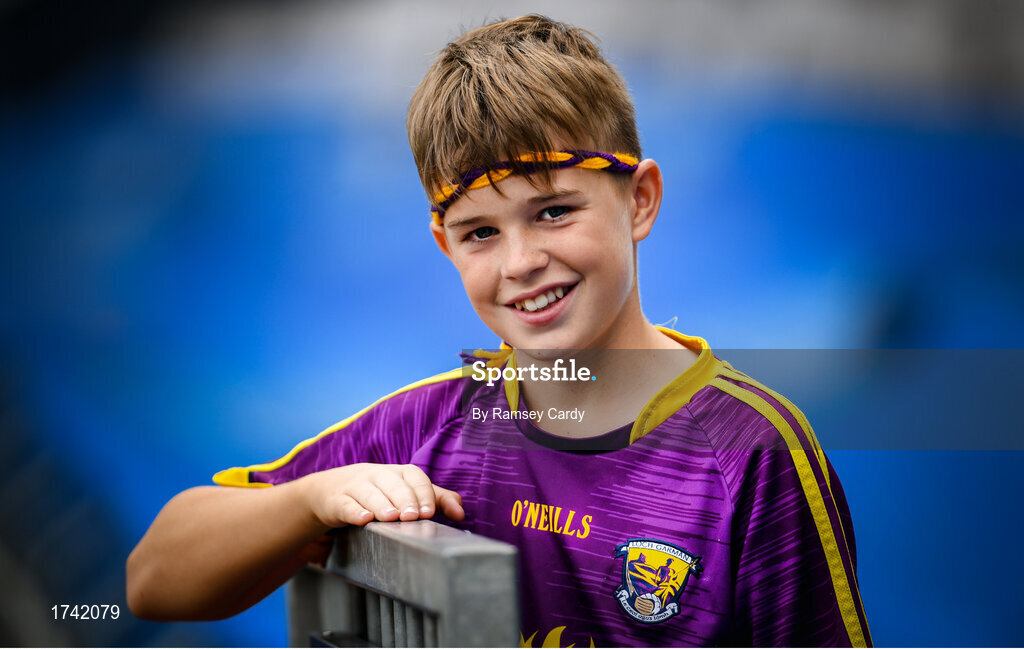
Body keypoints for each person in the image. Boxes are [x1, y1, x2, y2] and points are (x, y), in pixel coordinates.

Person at [127, 14, 872, 647]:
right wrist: (310, 500)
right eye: (480, 232)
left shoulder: (751, 454)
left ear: (640, 199)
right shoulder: (427, 429)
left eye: (554, 211)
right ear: (445, 246)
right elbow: (153, 577)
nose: (521, 262)